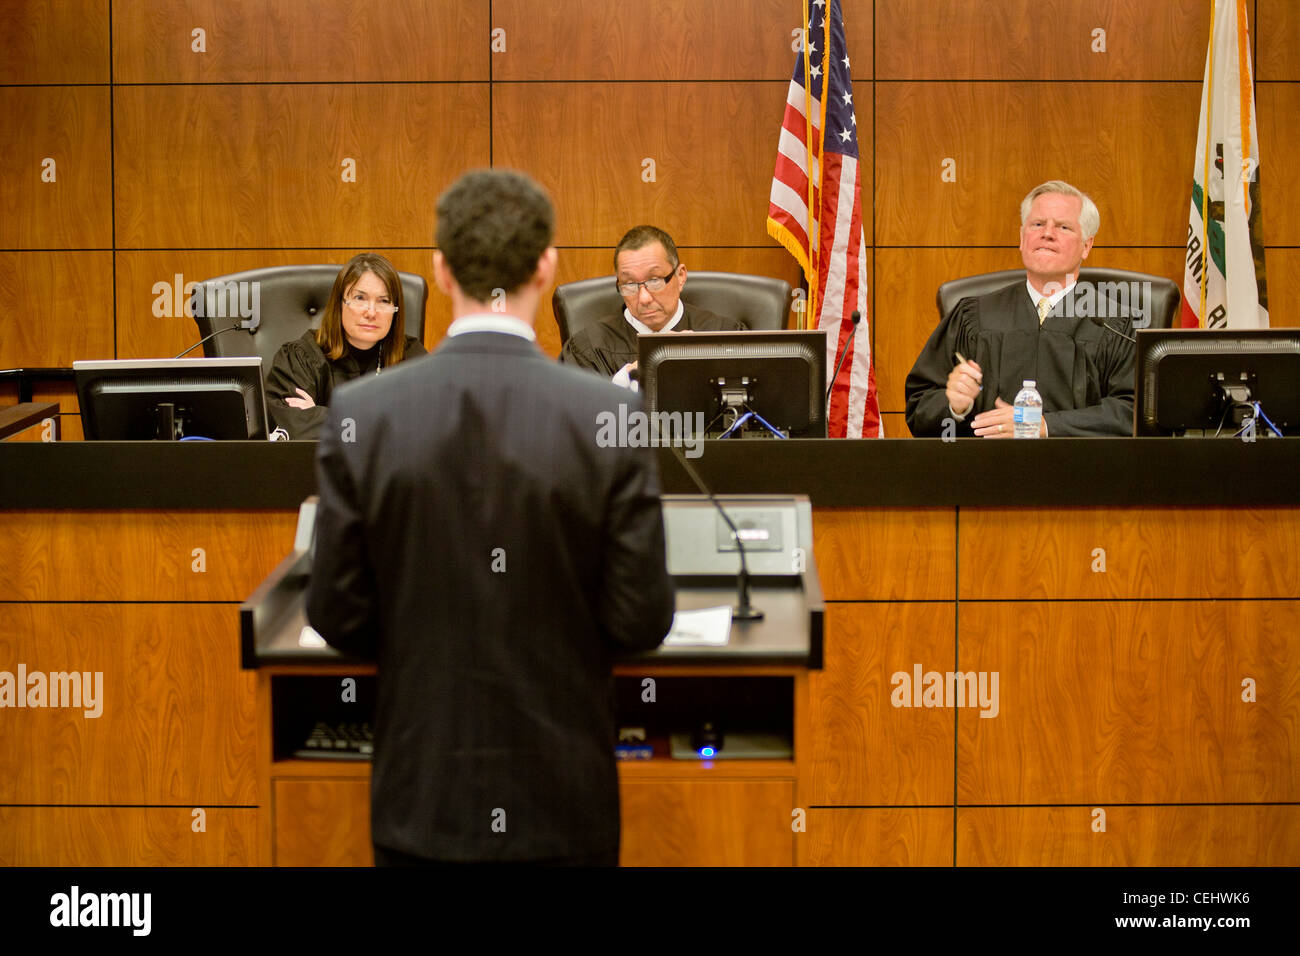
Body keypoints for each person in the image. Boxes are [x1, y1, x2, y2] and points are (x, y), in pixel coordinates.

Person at [305, 169, 675, 866]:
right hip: (564, 806)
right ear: (546, 266)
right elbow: (641, 619)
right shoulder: (610, 417)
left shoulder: (364, 418)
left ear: (440, 272)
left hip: (423, 802)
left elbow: (337, 616)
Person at [904, 180, 1136, 438]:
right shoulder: (974, 316)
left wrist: (1047, 426)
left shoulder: (1115, 324)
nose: (1047, 233)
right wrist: (955, 407)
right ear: (1022, 238)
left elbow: (1133, 412)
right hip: (986, 471)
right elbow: (920, 407)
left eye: (1063, 226)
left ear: (1086, 245)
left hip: (1080, 473)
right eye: (1037, 224)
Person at [264, 252, 427, 439]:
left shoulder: (413, 359)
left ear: (395, 311)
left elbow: (425, 427)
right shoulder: (299, 358)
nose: (371, 312)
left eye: (383, 301)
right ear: (340, 304)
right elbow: (294, 428)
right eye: (360, 298)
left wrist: (323, 416)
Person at [559, 225, 745, 386]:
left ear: (680, 276)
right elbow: (579, 419)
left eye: (655, 280)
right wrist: (630, 377)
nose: (644, 298)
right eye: (629, 284)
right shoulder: (588, 349)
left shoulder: (725, 335)